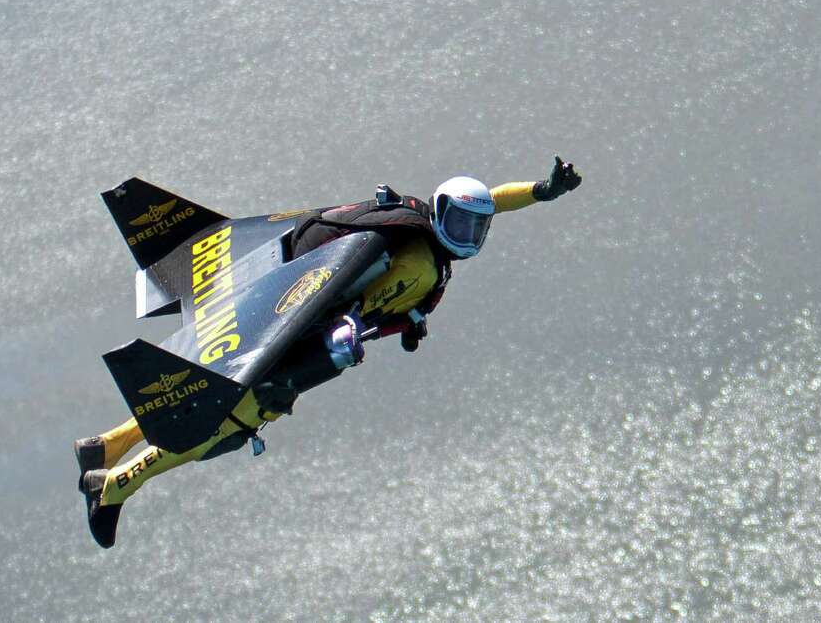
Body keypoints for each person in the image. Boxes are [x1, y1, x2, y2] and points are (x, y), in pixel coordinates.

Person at [74, 156, 582, 548]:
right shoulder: (420, 265)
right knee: (225, 418)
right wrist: (309, 367)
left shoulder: (417, 217)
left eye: (477, 228)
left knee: (214, 384)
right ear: (442, 211)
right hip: (299, 325)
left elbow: (489, 200)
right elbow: (352, 318)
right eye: (463, 224)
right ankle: (113, 486)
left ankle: (106, 445)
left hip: (285, 277)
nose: (469, 235)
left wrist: (540, 192)